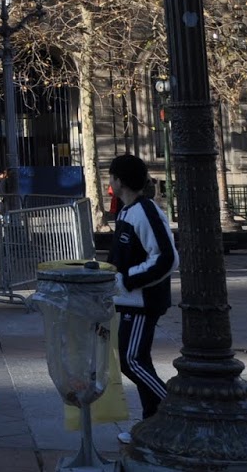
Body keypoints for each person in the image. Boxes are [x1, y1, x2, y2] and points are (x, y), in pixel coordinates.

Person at [108, 152, 178, 439]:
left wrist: (127, 279)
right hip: (130, 299)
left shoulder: (144, 211)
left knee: (131, 361)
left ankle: (173, 411)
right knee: (137, 360)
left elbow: (166, 257)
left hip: (142, 301)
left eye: (111, 176)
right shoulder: (126, 212)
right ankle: (152, 423)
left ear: (119, 180)